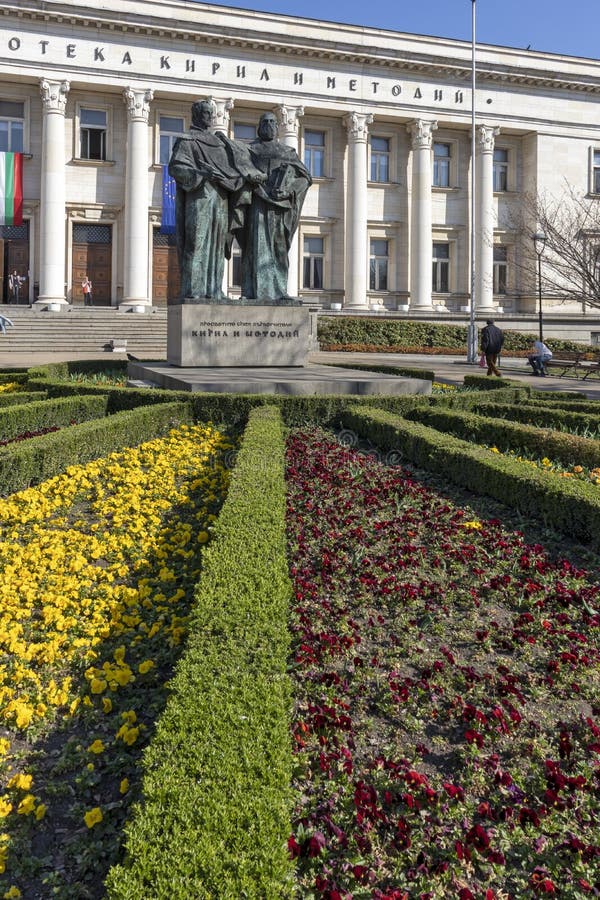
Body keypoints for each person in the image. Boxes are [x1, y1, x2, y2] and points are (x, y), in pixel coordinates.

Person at [168, 99, 265, 301]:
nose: (210, 117)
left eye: (212, 113)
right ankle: (194, 290)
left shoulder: (220, 144)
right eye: (205, 113)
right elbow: (176, 168)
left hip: (221, 199)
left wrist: (245, 179)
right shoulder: (187, 141)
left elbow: (231, 172)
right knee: (197, 243)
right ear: (196, 115)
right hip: (199, 198)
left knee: (217, 246)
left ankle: (214, 290)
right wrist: (201, 174)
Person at [235, 111, 312, 302]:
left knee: (280, 248)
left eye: (273, 122)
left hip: (281, 208)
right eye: (265, 122)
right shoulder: (249, 150)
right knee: (255, 246)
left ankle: (280, 291)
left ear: (278, 128)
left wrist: (289, 190)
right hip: (258, 204)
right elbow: (240, 170)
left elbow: (305, 178)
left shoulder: (287, 152)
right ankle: (251, 291)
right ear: (259, 126)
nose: (269, 125)